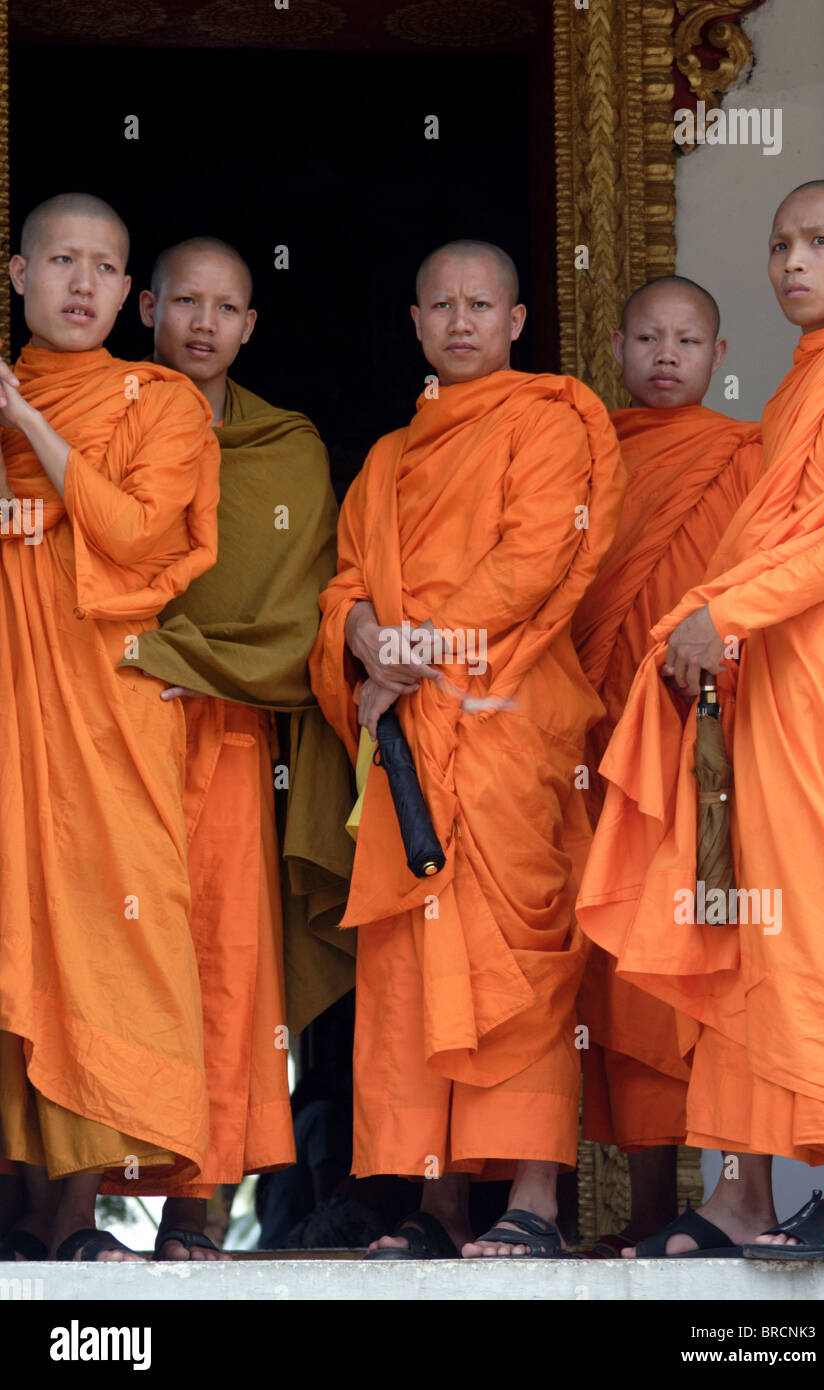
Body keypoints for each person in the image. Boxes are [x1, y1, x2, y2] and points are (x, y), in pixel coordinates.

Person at [310, 239, 625, 1257]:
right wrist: (364, 637)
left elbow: (534, 557)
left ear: (517, 321)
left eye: (479, 304)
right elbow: (345, 582)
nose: (459, 322)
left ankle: (531, 1197)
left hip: (502, 728)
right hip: (410, 740)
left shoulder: (546, 421)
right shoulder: (388, 460)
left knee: (523, 962)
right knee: (411, 968)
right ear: (411, 323)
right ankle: (436, 1205)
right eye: (439, 306)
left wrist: (416, 643)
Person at [578, 180, 824, 1259]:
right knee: (755, 937)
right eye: (780, 241)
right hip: (767, 692)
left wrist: (718, 610)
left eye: (820, 241)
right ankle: (742, 1196)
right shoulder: (796, 391)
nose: (793, 260)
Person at [109, 237, 354, 1260]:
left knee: (223, 963)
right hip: (107, 731)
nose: (204, 323)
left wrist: (174, 653)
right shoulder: (97, 425)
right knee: (104, 956)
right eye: (185, 301)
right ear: (145, 308)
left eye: (227, 306)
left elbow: (298, 615)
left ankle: (194, 1211)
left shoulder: (284, 449)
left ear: (252, 324)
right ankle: (72, 1209)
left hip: (227, 735)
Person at [0, 193, 219, 1262]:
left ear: (130, 294)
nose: (82, 284)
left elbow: (135, 536)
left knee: (102, 928)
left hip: (104, 701)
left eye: (104, 267)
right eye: (61, 261)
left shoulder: (163, 403)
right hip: (7, 685)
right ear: (17, 274)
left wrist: (28, 429)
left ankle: (78, 1211)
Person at [572, 276, 763, 1255]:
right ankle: (647, 1210)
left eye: (686, 339)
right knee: (620, 978)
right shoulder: (586, 455)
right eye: (644, 335)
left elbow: (755, 584)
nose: (663, 353)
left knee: (709, 961)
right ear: (613, 346)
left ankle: (725, 1197)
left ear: (717, 356)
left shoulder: (746, 456)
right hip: (600, 745)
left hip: (703, 743)